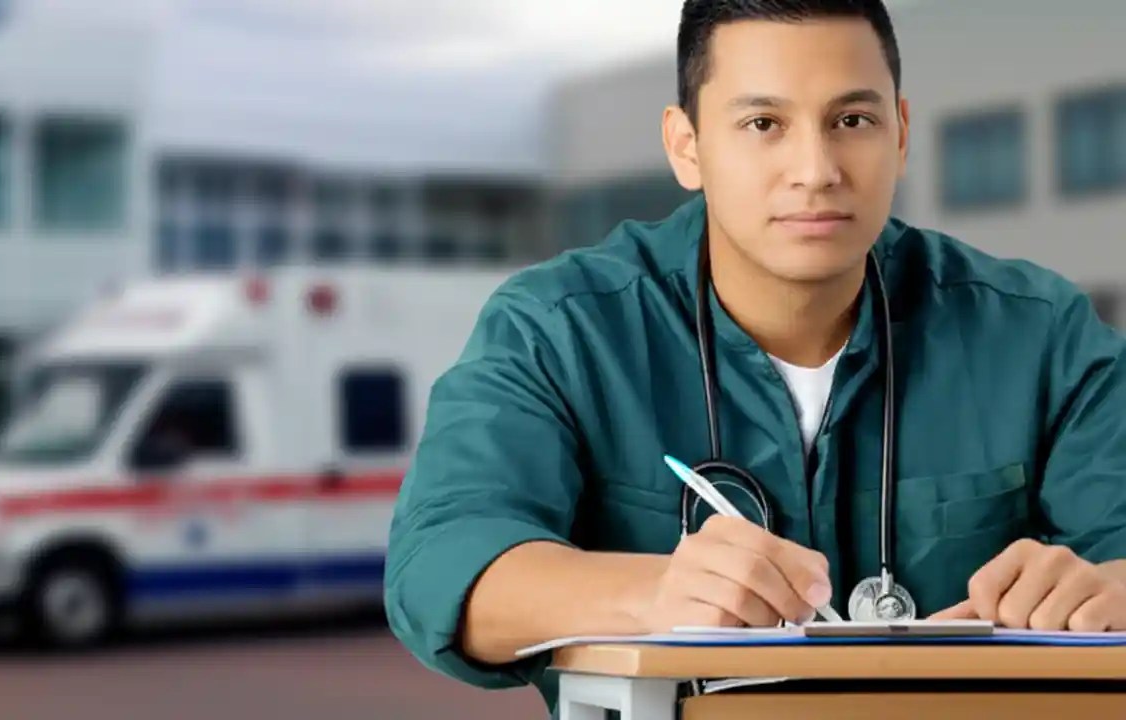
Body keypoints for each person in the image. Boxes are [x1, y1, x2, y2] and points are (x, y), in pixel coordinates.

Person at [383, 0, 1126, 714]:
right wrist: (656, 593)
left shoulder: (1038, 334)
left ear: (899, 133)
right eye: (764, 123)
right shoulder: (560, 331)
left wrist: (1110, 589)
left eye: (852, 120)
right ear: (687, 146)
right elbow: (440, 566)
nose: (816, 168)